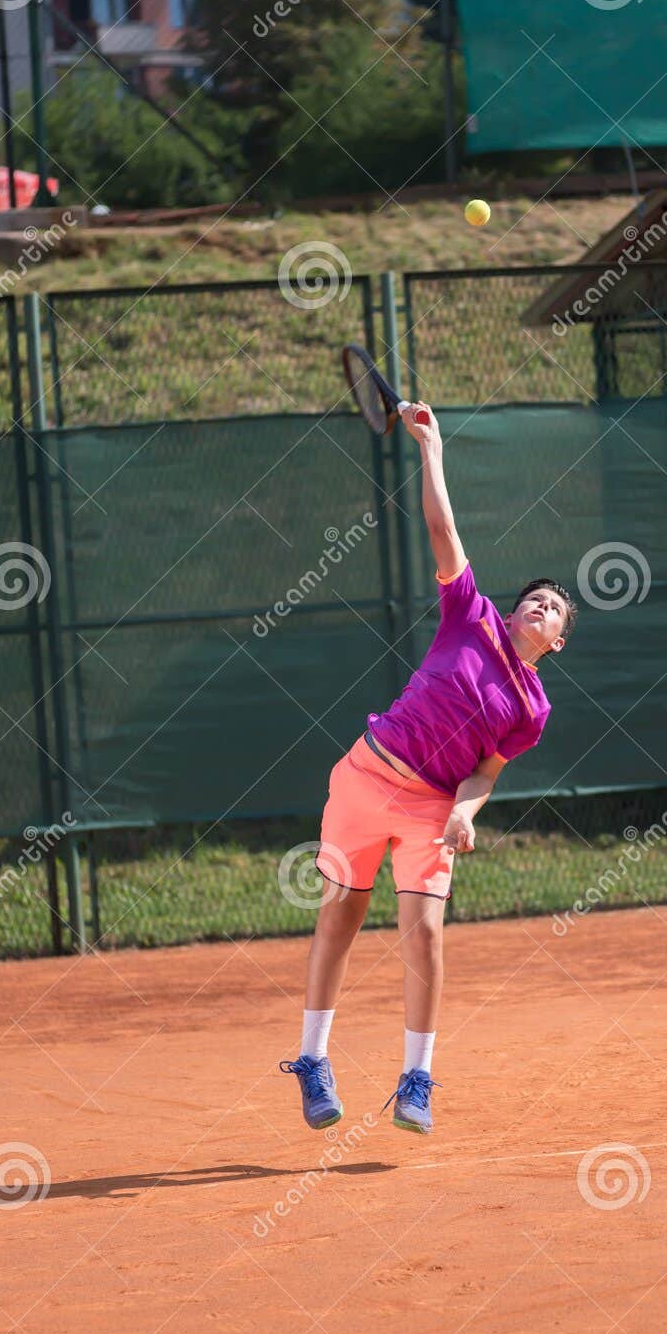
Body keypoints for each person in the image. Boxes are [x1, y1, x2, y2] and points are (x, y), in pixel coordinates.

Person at [282, 403, 577, 1135]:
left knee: (425, 934)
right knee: (340, 917)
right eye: (533, 600)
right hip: (363, 776)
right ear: (510, 614)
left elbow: (485, 773)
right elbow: (443, 530)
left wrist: (466, 811)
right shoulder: (468, 614)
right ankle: (313, 1062)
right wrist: (433, 449)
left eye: (552, 610)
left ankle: (417, 1080)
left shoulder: (532, 708)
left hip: (429, 810)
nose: (537, 607)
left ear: (558, 642)